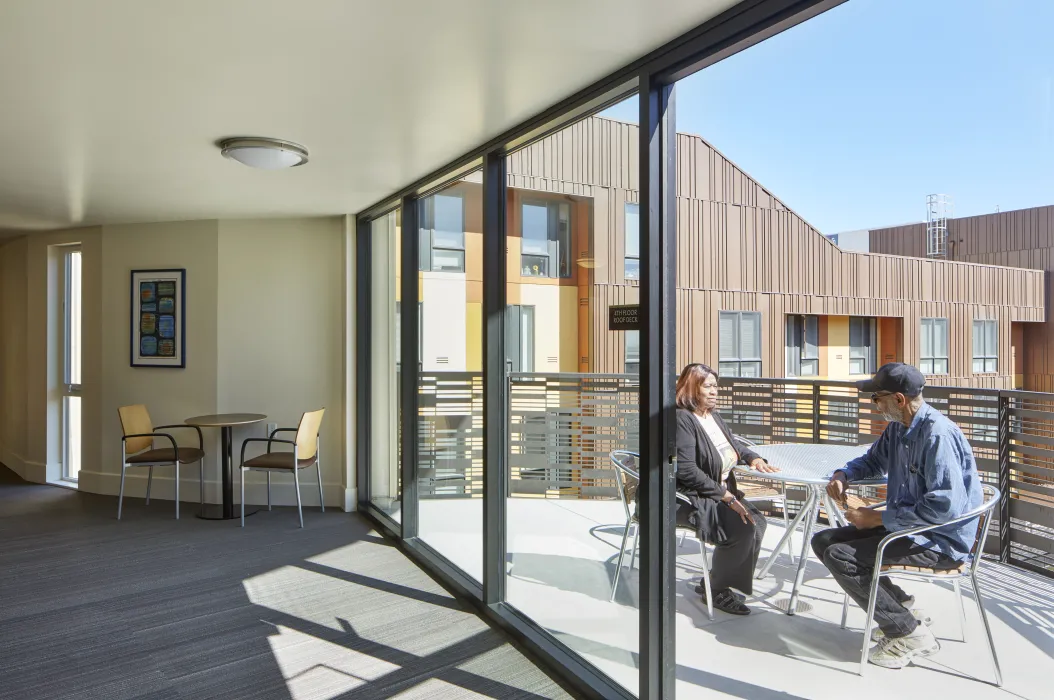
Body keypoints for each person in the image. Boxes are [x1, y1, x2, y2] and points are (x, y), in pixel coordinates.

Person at [815, 362, 983, 669]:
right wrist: (844, 474)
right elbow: (872, 461)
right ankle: (901, 608)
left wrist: (876, 519)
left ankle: (907, 633)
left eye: (877, 398)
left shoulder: (937, 436)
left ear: (899, 399)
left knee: (841, 556)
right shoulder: (899, 428)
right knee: (823, 539)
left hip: (940, 541)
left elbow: (944, 508)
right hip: (910, 528)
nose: (874, 404)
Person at [675, 363, 779, 615]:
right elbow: (686, 470)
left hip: (718, 492)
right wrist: (726, 496)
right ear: (692, 387)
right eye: (707, 386)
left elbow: (734, 446)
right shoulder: (681, 419)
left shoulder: (712, 416)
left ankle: (715, 580)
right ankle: (718, 590)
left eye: (715, 386)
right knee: (742, 528)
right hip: (690, 496)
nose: (714, 391)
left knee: (758, 523)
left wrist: (753, 457)